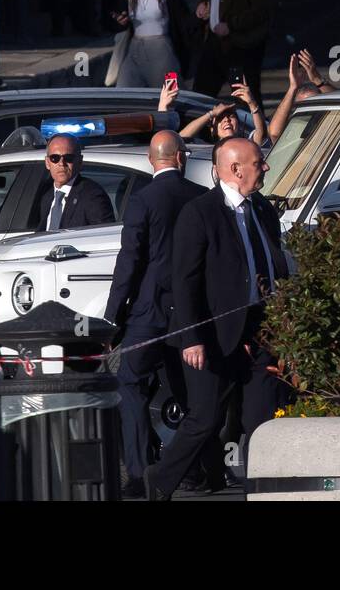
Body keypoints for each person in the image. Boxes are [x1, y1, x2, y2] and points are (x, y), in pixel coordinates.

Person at [145, 137, 289, 500]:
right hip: (213, 332)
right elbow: (185, 279)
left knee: (262, 416)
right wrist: (192, 336)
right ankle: (159, 480)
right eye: (259, 162)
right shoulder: (200, 212)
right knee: (205, 417)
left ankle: (263, 489)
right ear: (235, 168)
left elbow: (273, 263)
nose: (266, 167)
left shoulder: (262, 210)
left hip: (260, 329)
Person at [104, 131, 210, 498]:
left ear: (152, 161)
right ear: (180, 158)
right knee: (188, 392)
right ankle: (196, 470)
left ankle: (138, 471)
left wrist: (113, 314)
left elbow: (130, 260)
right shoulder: (200, 198)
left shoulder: (143, 199)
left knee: (131, 383)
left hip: (149, 311)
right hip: (190, 313)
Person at [112, 0, 193, 88]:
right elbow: (120, 16)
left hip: (161, 50)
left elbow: (183, 21)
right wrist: (121, 21)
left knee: (168, 94)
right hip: (135, 49)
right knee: (125, 92)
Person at [36, 136, 114, 232]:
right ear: (47, 163)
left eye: (68, 158)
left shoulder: (92, 196)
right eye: (54, 158)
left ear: (80, 161)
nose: (61, 163)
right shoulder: (47, 197)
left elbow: (104, 238)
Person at [175, 79, 268, 147]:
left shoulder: (248, 145)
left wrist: (251, 103)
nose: (226, 120)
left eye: (231, 116)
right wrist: (211, 114)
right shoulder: (206, 148)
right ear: (213, 130)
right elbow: (180, 138)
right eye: (220, 118)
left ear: (239, 126)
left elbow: (261, 133)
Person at [268, 49, 335, 143]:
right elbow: (274, 133)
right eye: (304, 105)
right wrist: (293, 88)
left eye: (314, 104)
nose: (310, 110)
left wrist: (317, 79)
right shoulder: (293, 129)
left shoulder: (330, 123)